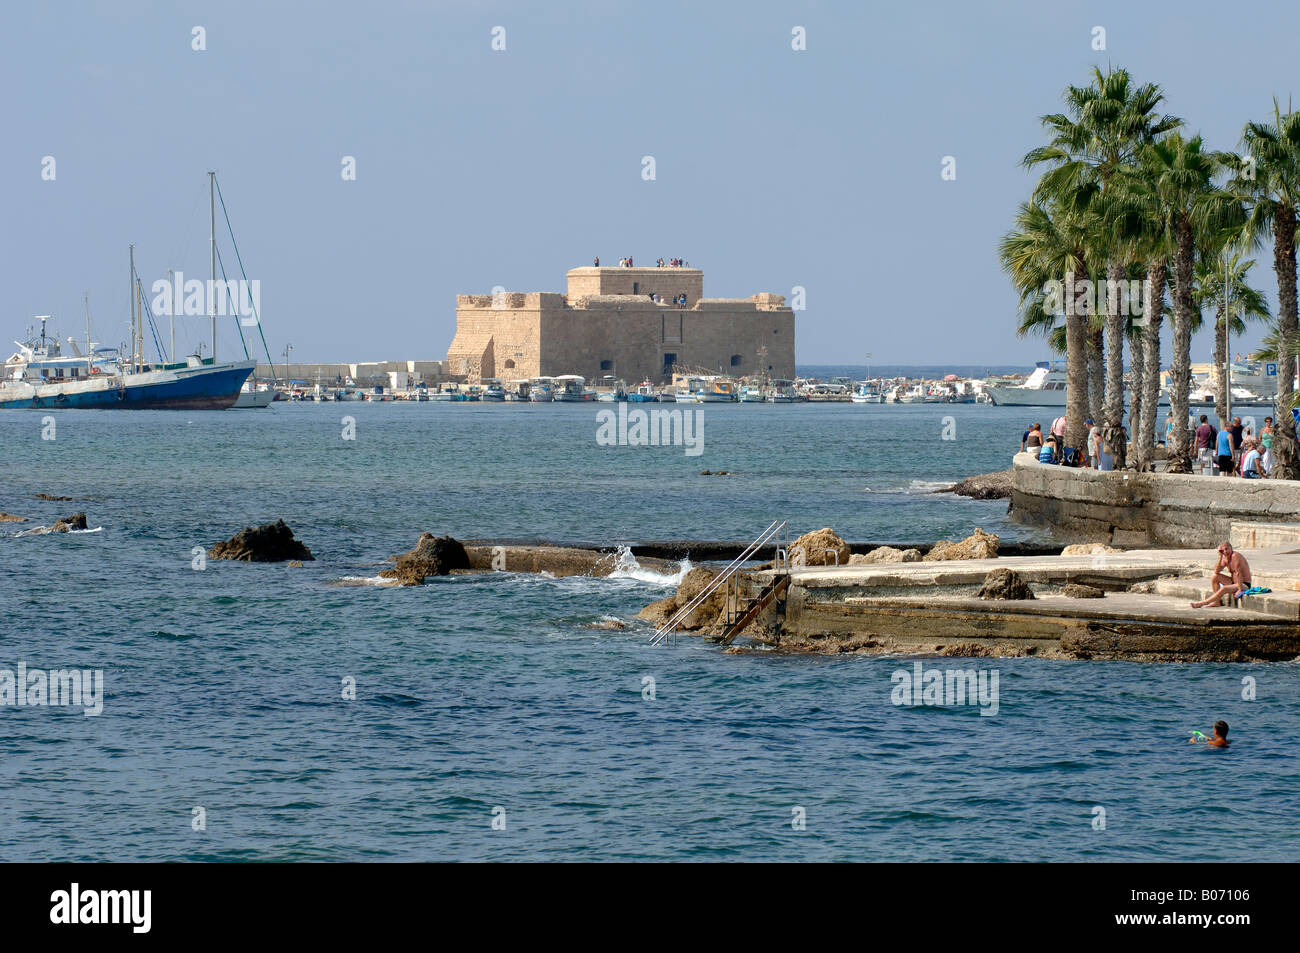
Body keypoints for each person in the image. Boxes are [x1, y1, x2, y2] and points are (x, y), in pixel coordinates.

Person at [1190, 542, 1251, 608]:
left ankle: (1202, 603)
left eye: (1226, 549)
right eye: (1223, 550)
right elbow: (1216, 571)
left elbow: (1239, 573)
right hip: (1234, 583)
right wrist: (1220, 556)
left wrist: (1240, 589)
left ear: (1231, 548)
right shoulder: (1225, 559)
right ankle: (1217, 602)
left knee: (1224, 588)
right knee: (1215, 577)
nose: (1225, 552)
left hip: (1243, 584)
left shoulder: (1235, 556)